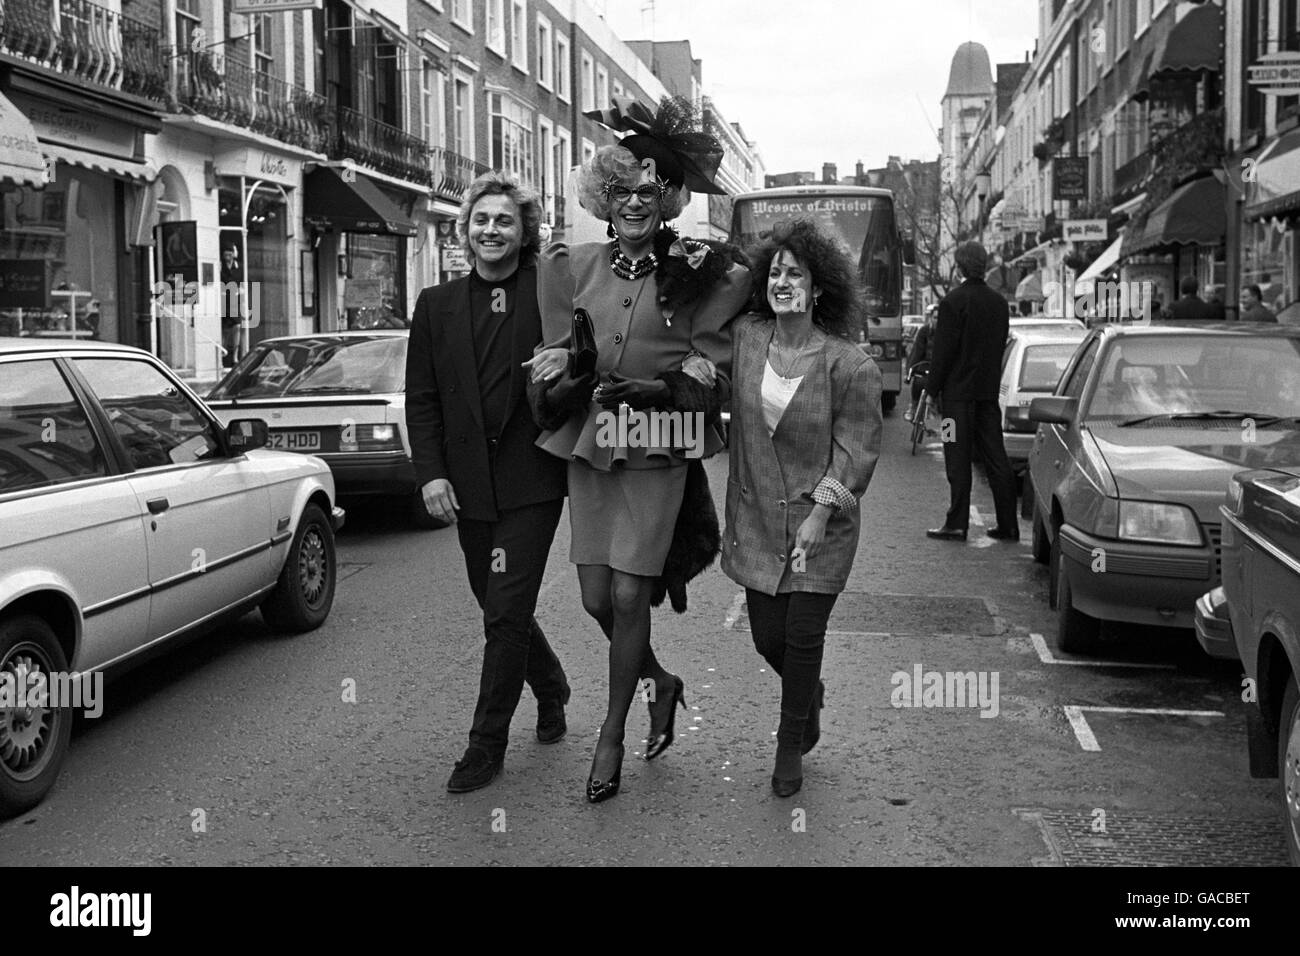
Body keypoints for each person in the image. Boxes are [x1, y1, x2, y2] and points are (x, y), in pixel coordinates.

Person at [525, 95, 750, 803]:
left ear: (668, 200)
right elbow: (554, 353)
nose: (633, 204)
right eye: (620, 191)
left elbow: (713, 362)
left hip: (658, 440)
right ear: (603, 197)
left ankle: (612, 732)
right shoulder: (571, 266)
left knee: (629, 593)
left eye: (648, 192)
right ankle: (660, 678)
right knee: (596, 597)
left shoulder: (700, 270)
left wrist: (667, 387)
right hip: (595, 440)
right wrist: (564, 371)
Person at [405, 172, 571, 794]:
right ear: (465, 229)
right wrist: (432, 474)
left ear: (523, 230)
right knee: (498, 603)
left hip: (532, 479)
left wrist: (570, 358)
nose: (491, 230)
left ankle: (485, 745)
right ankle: (551, 685)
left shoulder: (546, 294)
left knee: (504, 612)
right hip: (468, 483)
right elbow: (420, 400)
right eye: (481, 220)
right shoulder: (437, 305)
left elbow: (590, 348)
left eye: (504, 220)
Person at [723, 219, 882, 797]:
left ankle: (789, 744)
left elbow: (858, 451)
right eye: (775, 272)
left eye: (796, 273)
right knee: (769, 640)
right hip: (758, 522)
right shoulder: (745, 340)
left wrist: (820, 514)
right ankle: (807, 691)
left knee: (803, 636)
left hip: (824, 528)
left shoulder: (851, 365)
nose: (782, 281)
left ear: (819, 290)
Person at [926, 241, 1019, 542]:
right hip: (987, 398)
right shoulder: (999, 304)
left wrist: (931, 391)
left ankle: (956, 523)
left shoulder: (953, 303)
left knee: (956, 457)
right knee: (996, 459)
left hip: (955, 402)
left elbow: (943, 353)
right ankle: (1008, 525)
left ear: (960, 267)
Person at [903, 308, 936, 422]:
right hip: (924, 365)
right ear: (931, 318)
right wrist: (910, 371)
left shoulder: (947, 331)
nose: (937, 320)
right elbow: (917, 352)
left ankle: (948, 436)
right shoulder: (924, 331)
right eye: (935, 317)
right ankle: (913, 406)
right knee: (918, 382)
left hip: (939, 367)